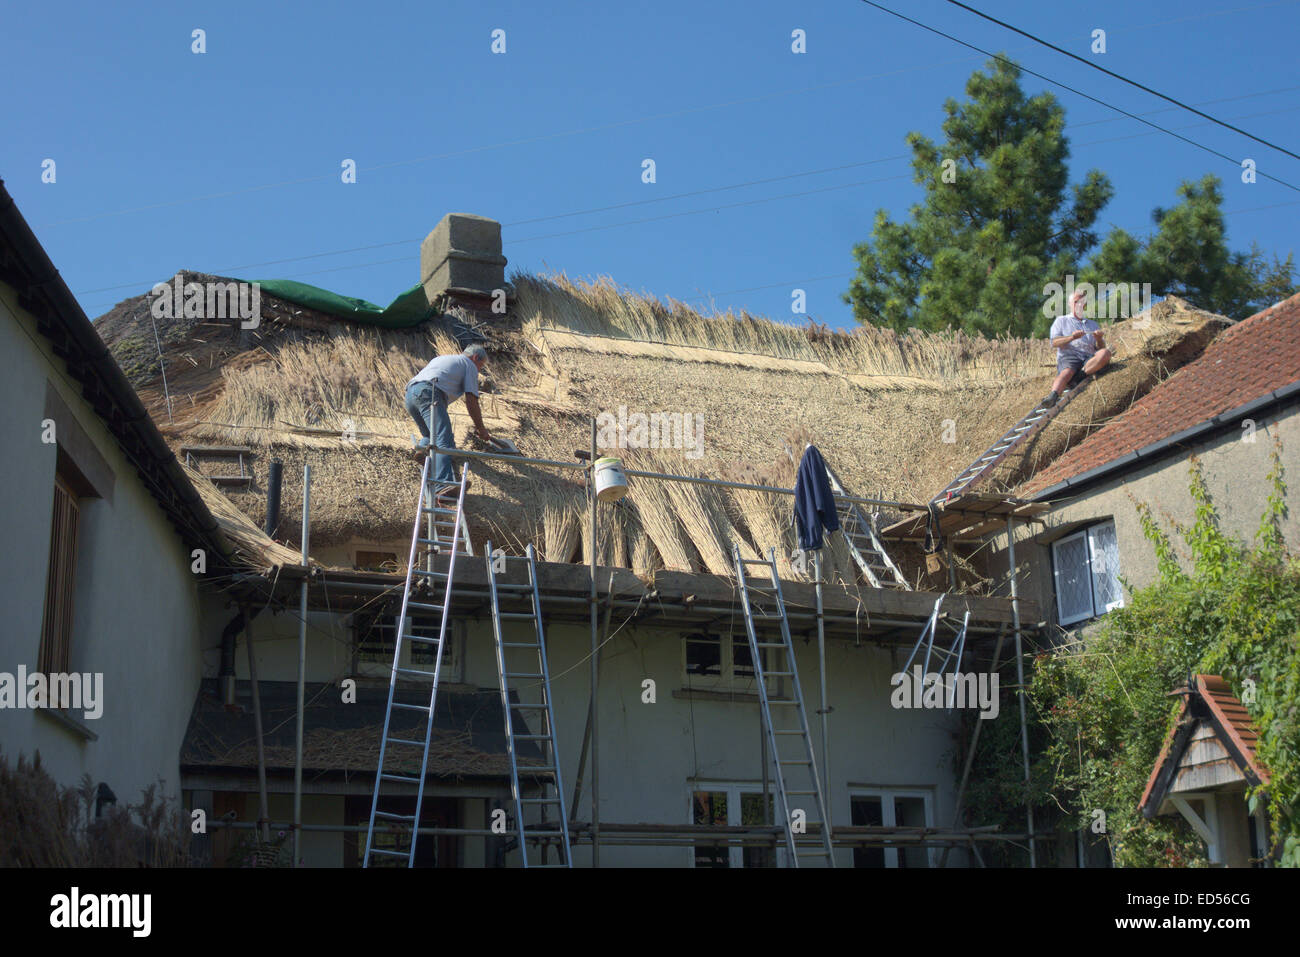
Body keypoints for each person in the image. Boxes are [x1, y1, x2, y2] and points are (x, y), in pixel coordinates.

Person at [404, 343, 492, 496]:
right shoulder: (469, 365)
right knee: (442, 438)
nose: (479, 370)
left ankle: (423, 451)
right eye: (480, 366)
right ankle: (443, 485)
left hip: (411, 394)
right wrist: (480, 428)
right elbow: (471, 400)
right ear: (475, 357)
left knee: (430, 434)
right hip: (429, 392)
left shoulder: (444, 358)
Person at [1042, 289, 1111, 407]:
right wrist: (1071, 337)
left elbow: (1100, 348)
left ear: (1085, 305)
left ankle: (1079, 377)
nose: (1078, 305)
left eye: (1081, 302)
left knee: (1105, 353)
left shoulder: (1092, 324)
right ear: (1070, 304)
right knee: (1067, 372)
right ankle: (1053, 396)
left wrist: (1099, 339)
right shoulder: (1061, 321)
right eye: (1075, 302)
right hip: (1069, 356)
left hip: (1088, 358)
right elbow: (1054, 342)